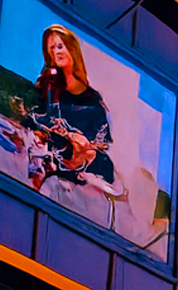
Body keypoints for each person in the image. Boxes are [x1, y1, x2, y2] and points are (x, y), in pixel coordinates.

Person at [26, 25, 123, 197]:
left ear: (72, 48)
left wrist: (84, 143)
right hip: (53, 148)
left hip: (82, 157)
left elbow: (102, 140)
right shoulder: (47, 86)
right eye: (52, 48)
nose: (56, 52)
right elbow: (33, 116)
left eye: (60, 46)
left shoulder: (92, 100)